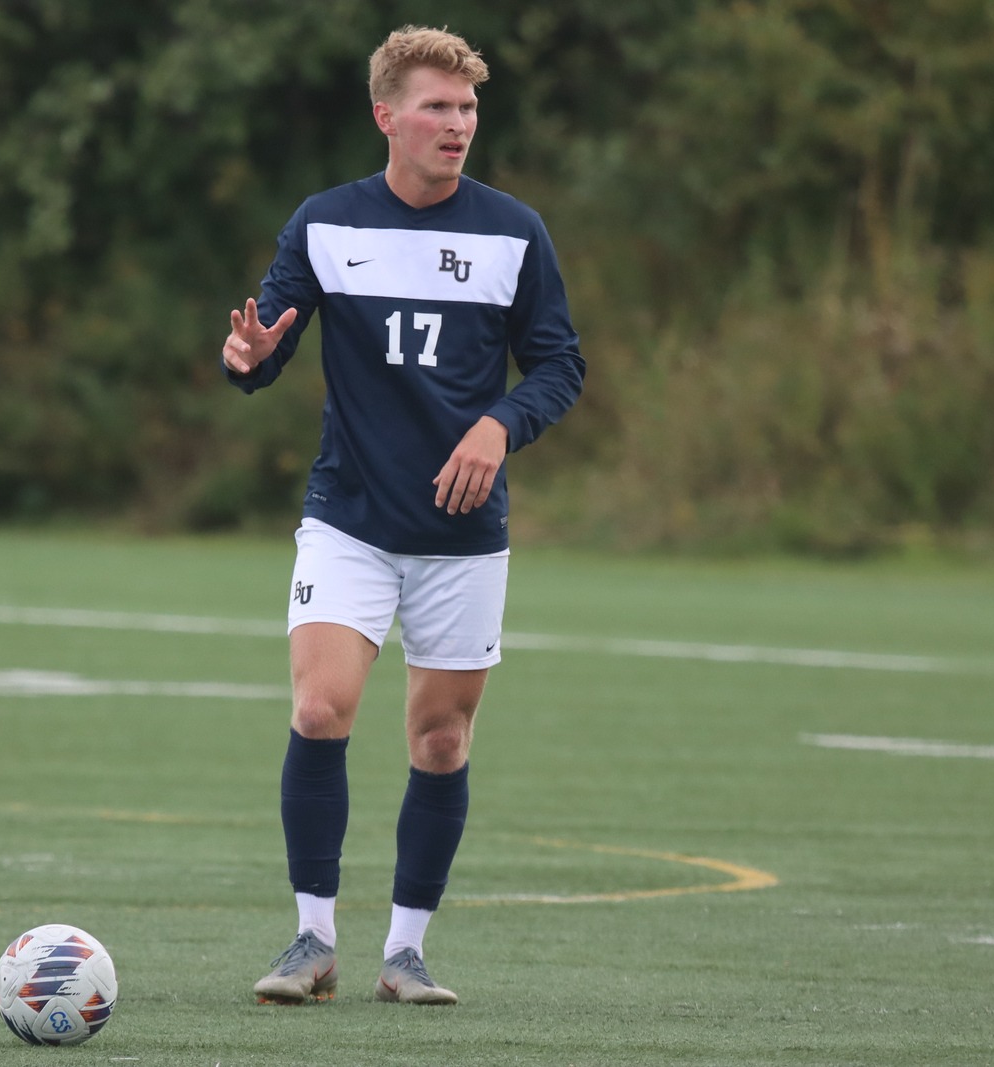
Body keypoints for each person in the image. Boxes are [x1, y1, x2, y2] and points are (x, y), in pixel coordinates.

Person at [220, 25, 585, 1007]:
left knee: (438, 740)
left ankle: (406, 951)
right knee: (319, 705)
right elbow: (270, 339)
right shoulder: (327, 223)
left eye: (467, 108)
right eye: (437, 107)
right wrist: (247, 356)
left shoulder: (513, 232)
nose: (456, 124)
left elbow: (558, 364)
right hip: (349, 518)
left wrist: (500, 426)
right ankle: (309, 939)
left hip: (463, 535)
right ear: (387, 117)